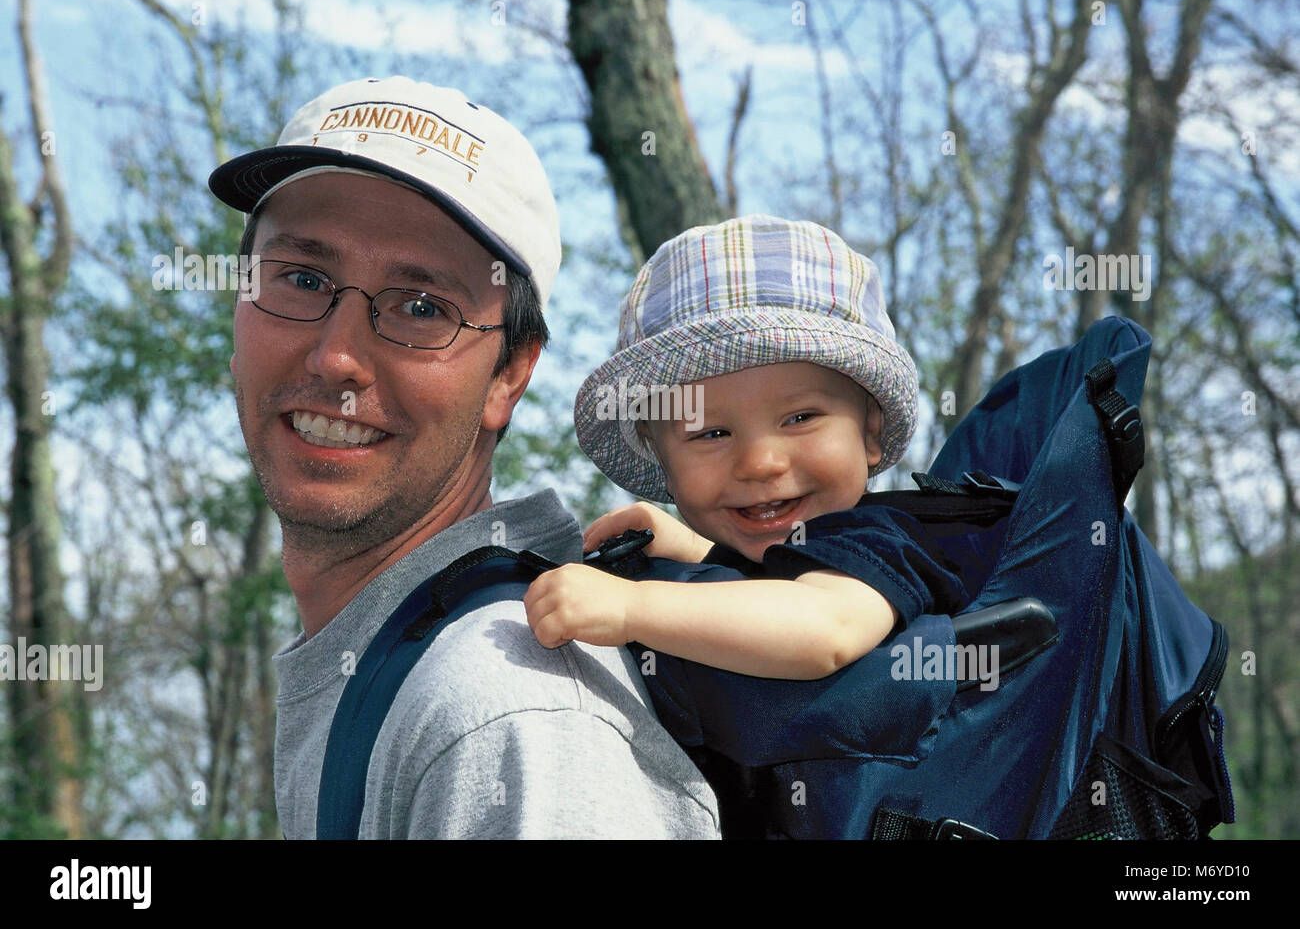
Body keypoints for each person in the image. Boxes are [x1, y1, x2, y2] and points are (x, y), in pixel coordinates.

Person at [209, 76, 720, 838]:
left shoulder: (505, 715)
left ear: (509, 375)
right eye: (304, 279)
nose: (337, 356)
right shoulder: (400, 659)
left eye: (422, 308)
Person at [526, 214, 980, 682]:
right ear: (662, 460)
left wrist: (630, 606)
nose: (760, 464)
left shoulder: (880, 542)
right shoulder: (760, 558)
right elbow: (759, 590)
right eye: (711, 434)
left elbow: (824, 629)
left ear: (869, 432)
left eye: (800, 419)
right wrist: (695, 552)